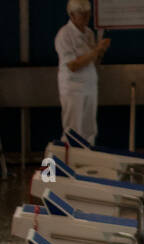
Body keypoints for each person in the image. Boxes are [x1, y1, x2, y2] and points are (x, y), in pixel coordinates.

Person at [55, 0, 109, 144]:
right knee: (74, 129)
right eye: (82, 15)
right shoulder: (64, 35)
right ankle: (70, 163)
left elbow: (93, 61)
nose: (87, 17)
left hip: (89, 87)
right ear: (72, 15)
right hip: (73, 89)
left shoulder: (89, 33)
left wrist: (100, 52)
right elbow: (73, 65)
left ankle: (87, 160)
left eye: (88, 14)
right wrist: (96, 50)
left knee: (89, 128)